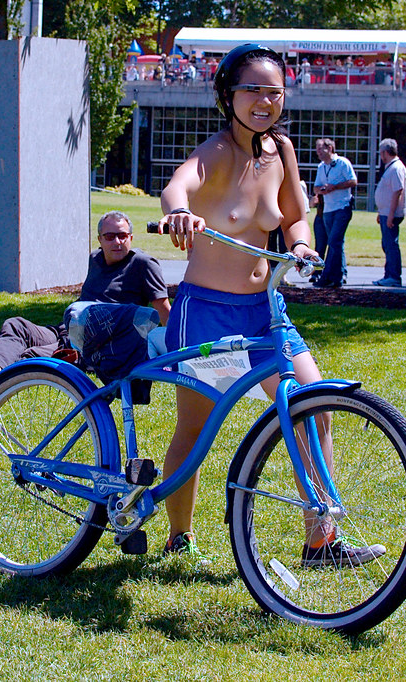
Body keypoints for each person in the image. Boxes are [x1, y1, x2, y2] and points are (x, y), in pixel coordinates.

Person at [158, 44, 384, 566]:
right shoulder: (215, 152)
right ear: (227, 94)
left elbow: (294, 217)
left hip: (265, 310)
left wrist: (301, 244)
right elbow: (178, 186)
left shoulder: (281, 152)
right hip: (205, 312)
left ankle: (321, 541)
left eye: (275, 90)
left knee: (317, 406)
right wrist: (180, 215)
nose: (266, 100)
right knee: (194, 430)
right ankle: (179, 535)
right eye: (253, 89)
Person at [0, 211, 171, 383]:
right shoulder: (95, 259)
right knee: (17, 326)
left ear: (131, 237)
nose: (117, 242)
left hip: (97, 341)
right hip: (67, 328)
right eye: (110, 236)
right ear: (100, 240)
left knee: (34, 356)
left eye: (123, 235)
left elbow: (163, 310)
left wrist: (178, 347)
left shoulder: (143, 264)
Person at [311, 138, 357, 288]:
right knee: (337, 243)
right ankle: (340, 276)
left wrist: (334, 187)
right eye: (317, 149)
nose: (317, 152)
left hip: (342, 208)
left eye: (320, 149)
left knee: (333, 242)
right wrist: (321, 190)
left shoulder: (343, 163)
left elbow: (353, 181)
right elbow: (316, 188)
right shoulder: (321, 167)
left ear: (329, 148)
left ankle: (327, 276)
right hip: (327, 209)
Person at [372, 138, 406, 287]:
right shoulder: (390, 167)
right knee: (386, 244)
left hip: (391, 213)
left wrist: (390, 215)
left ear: (385, 153)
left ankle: (393, 276)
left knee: (391, 244)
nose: (381, 156)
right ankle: (389, 274)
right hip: (385, 212)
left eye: (381, 153)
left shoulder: (396, 168)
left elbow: (397, 192)